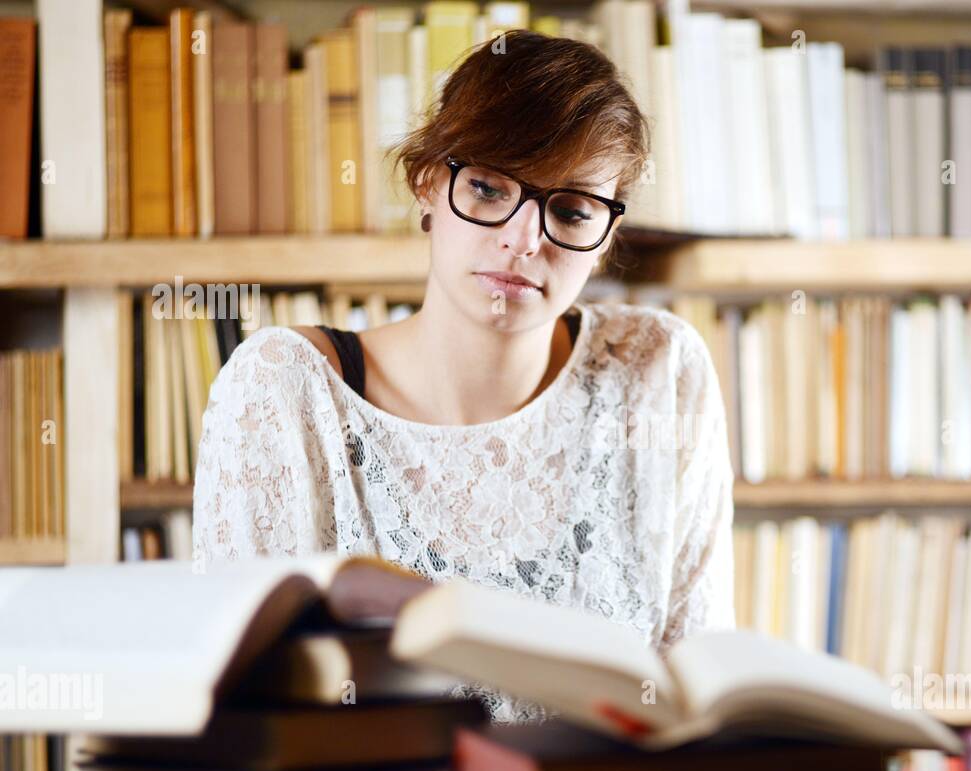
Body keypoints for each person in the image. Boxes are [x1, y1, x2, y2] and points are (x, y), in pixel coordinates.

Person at [192, 30, 735, 723]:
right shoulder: (282, 391)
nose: (524, 239)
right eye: (487, 187)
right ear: (427, 182)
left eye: (570, 210)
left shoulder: (661, 369)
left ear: (604, 239)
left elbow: (700, 689)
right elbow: (242, 714)